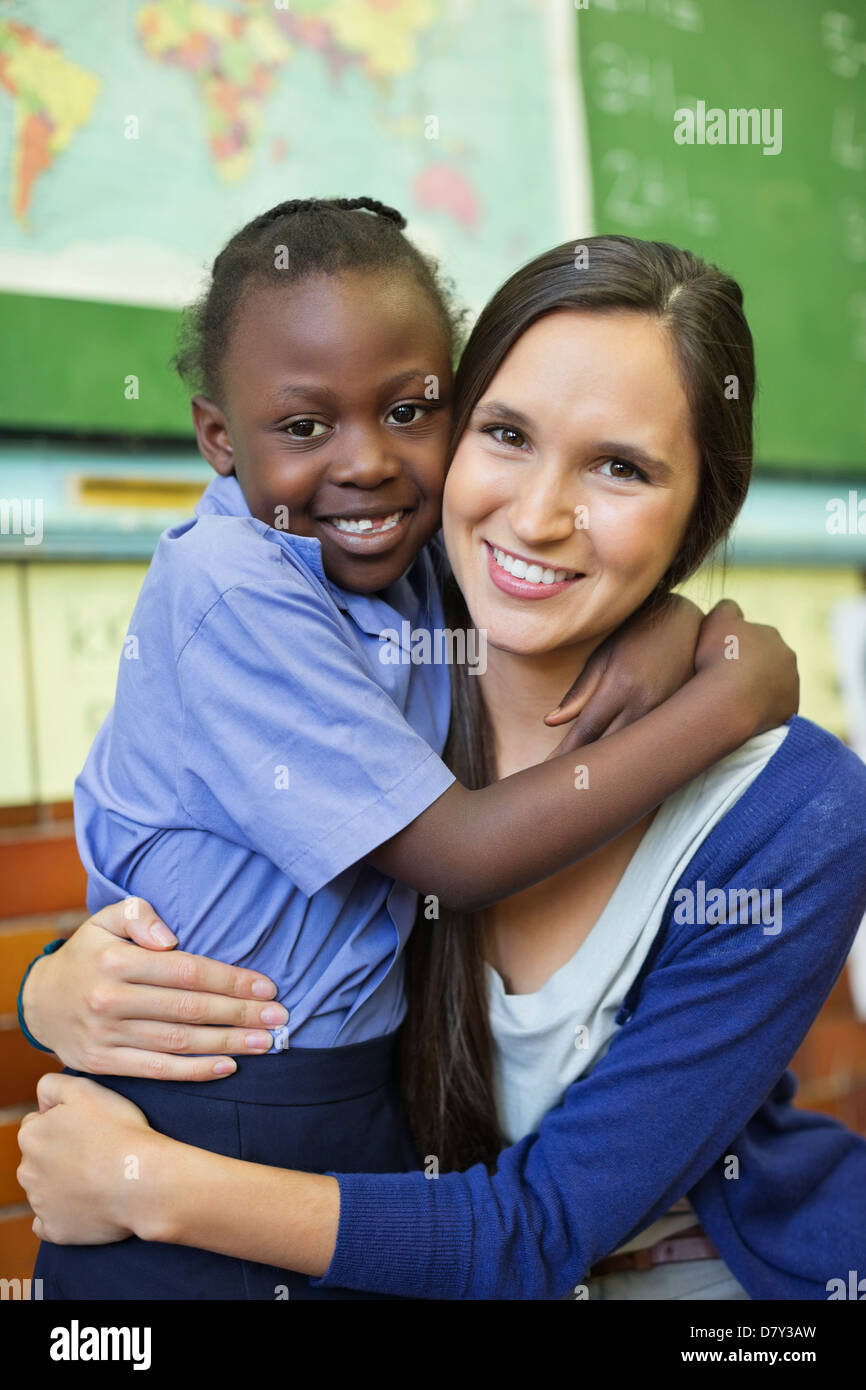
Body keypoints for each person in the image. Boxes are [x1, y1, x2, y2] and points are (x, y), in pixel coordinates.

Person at [21, 236, 832, 1302]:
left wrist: (151, 1185)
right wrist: (57, 981)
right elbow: (215, 859)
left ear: (702, 505)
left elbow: (531, 1231)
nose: (538, 516)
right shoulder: (377, 650)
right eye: (504, 434)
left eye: (619, 466)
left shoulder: (799, 815)